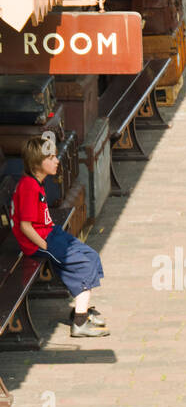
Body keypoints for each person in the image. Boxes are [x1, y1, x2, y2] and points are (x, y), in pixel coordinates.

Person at [10, 136, 108, 337]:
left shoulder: (37, 182)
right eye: (51, 157)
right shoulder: (28, 187)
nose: (57, 161)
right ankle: (80, 322)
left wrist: (52, 231)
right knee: (83, 265)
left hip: (50, 234)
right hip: (39, 242)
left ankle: (82, 308)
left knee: (91, 256)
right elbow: (26, 226)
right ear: (37, 163)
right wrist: (45, 246)